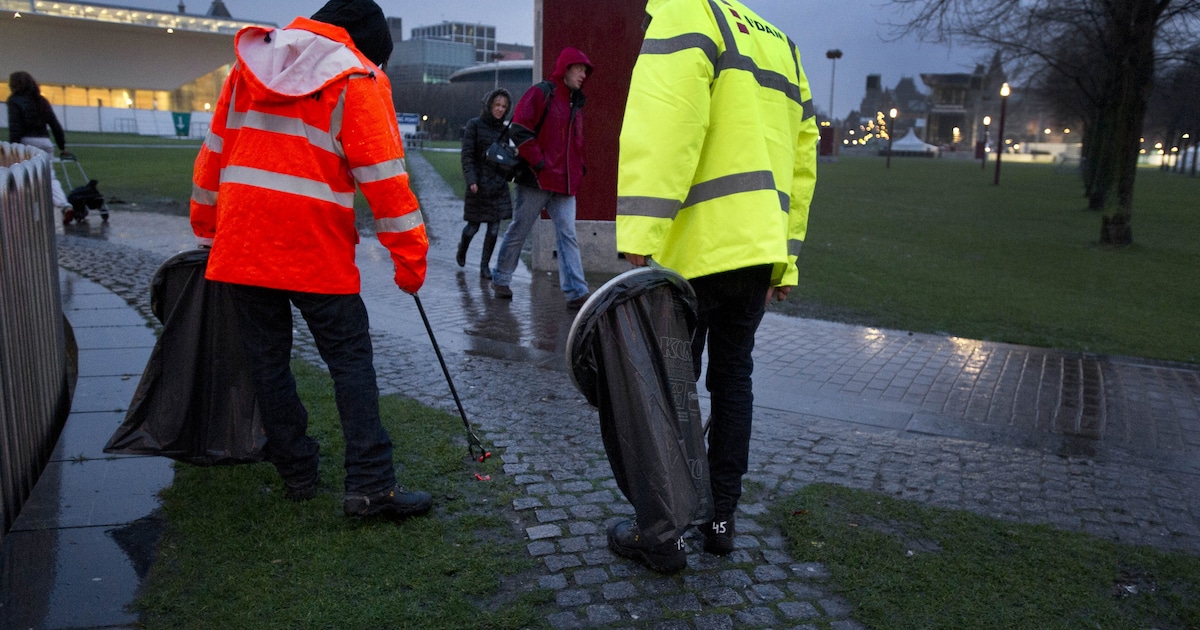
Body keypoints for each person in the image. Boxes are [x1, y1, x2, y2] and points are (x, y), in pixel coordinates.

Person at [189, 0, 433, 521]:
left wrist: (207, 226)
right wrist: (410, 262)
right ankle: (370, 485)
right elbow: (388, 184)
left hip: (244, 241)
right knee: (350, 362)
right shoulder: (355, 78)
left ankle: (297, 472)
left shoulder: (251, 66)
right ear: (367, 47)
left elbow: (213, 153)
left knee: (267, 361)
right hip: (313, 247)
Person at [611, 0, 819, 571]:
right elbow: (803, 164)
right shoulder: (780, 42)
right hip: (757, 250)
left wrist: (639, 233)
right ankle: (721, 520)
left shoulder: (688, 13)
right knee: (734, 383)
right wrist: (787, 259)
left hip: (695, 250)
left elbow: (667, 122)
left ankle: (665, 531)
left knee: (672, 388)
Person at [490, 47, 593, 309]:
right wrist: (539, 162)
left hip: (565, 183)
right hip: (537, 179)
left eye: (585, 71)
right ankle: (501, 278)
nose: (583, 75)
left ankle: (576, 291)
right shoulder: (542, 93)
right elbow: (520, 129)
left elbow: (577, 142)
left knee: (568, 235)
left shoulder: (576, 102)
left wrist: (578, 167)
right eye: (579, 68)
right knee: (519, 230)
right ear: (566, 68)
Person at [457, 88, 514, 279]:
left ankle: (484, 266)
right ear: (489, 105)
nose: (500, 109)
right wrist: (471, 180)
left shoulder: (504, 130)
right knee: (473, 227)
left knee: (494, 229)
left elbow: (504, 157)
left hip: (497, 186)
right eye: (497, 105)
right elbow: (467, 155)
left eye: (504, 107)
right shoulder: (474, 125)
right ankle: (462, 248)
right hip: (478, 185)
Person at [7, 71, 70, 213]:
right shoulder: (41, 100)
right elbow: (55, 125)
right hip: (45, 142)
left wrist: (13, 147)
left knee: (25, 177)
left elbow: (15, 127)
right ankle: (64, 204)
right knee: (50, 176)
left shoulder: (14, 101)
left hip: (26, 143)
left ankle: (27, 209)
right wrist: (62, 146)